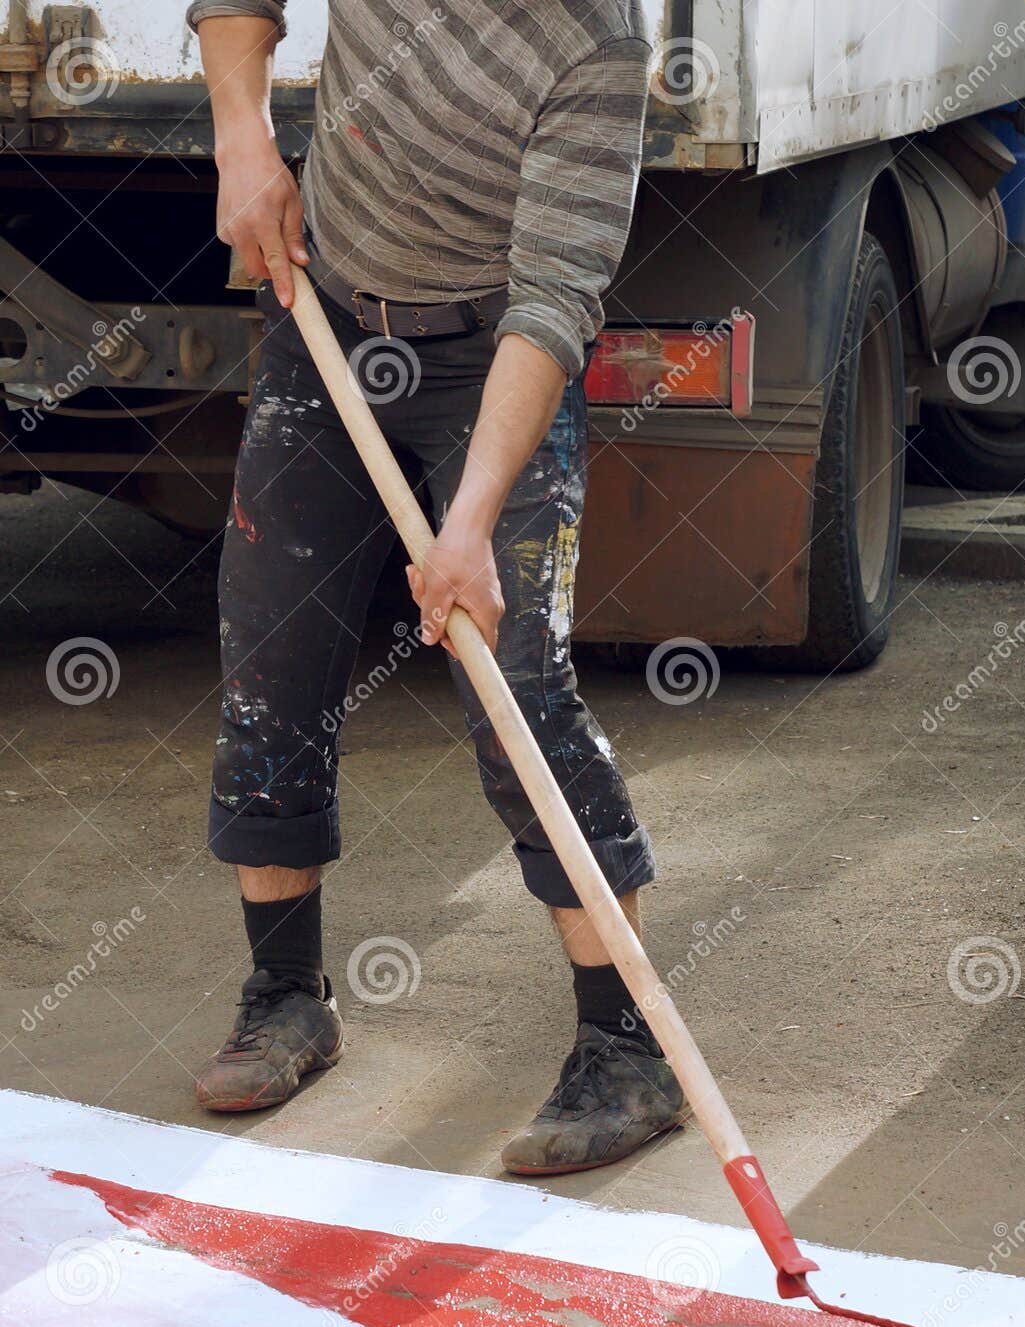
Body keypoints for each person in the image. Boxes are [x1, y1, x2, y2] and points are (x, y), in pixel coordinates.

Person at [188, 0, 683, 1173]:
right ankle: (285, 996)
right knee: (270, 655)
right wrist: (244, 140)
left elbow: (554, 299)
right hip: (326, 315)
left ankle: (626, 1051)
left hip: (490, 355)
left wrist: (463, 531)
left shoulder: (596, 45)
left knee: (513, 678)